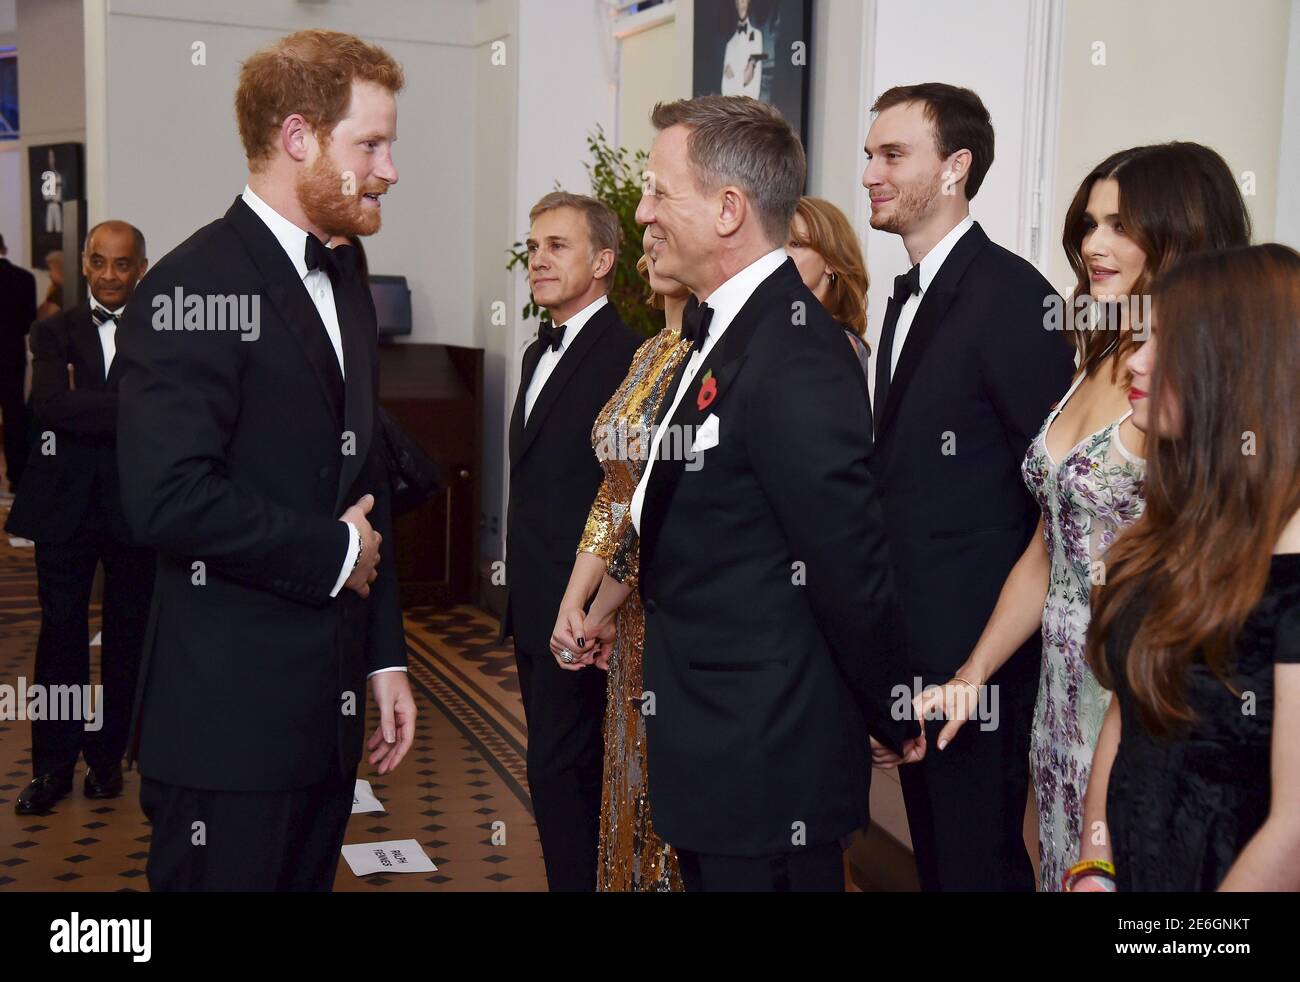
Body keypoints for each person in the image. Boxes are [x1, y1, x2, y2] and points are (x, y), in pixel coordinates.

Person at [115, 29, 415, 892]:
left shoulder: (348, 269)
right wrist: (334, 554)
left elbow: (365, 488)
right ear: (297, 138)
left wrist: (385, 657)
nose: (389, 168)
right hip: (225, 729)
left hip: (327, 716)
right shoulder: (187, 289)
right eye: (371, 144)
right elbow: (168, 499)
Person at [916, 141, 1251, 889]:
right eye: (1088, 223)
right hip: (1059, 696)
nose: (1092, 245)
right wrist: (973, 672)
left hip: (1138, 698)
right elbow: (1049, 547)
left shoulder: (1199, 384)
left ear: (1182, 231)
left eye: (1119, 225)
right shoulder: (1101, 353)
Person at [609, 95, 920, 893]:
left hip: (767, 759)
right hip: (715, 745)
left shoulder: (794, 357)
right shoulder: (723, 336)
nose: (642, 211)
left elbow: (847, 560)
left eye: (657, 190)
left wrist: (890, 705)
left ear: (727, 209)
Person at [863, 82, 1075, 891]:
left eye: (892, 154)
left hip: (983, 660)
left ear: (956, 166)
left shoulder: (1015, 299)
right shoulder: (906, 297)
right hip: (921, 651)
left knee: (980, 866)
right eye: (870, 154)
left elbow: (1052, 497)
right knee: (946, 867)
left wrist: (972, 668)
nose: (871, 173)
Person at [1073, 244, 1300, 892]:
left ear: (1237, 370)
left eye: (1164, 343)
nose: (1135, 362)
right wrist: (1095, 865)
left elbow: (1293, 832)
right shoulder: (1170, 534)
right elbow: (1129, 709)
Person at [502, 191, 640, 891]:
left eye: (558, 245)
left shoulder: (628, 358)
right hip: (535, 604)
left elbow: (624, 496)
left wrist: (595, 606)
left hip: (582, 613)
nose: (539, 259)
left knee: (567, 773)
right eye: (534, 246)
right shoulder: (535, 353)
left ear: (604, 260)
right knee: (555, 773)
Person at [549, 235, 694, 891]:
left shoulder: (701, 358)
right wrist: (571, 605)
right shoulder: (648, 352)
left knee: (669, 810)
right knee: (626, 794)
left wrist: (599, 606)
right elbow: (613, 493)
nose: (652, 236)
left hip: (661, 607)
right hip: (622, 617)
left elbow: (655, 502)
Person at [6, 221, 154, 814]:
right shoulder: (52, 330)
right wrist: (130, 409)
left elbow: (168, 412)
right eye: (99, 262)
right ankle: (52, 766)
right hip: (62, 506)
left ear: (142, 268)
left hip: (136, 506)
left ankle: (106, 760)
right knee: (60, 635)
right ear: (84, 264)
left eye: (123, 264)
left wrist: (81, 406)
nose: (110, 275)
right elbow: (48, 406)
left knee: (127, 637)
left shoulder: (165, 335)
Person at [787, 196, 871, 377]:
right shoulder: (784, 327)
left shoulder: (838, 343)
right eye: (777, 246)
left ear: (830, 263)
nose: (782, 255)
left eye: (796, 244)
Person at [0, 233, 36, 490]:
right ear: (5, 247)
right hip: (11, 355)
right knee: (14, 415)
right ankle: (17, 476)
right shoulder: (25, 278)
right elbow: (28, 322)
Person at [721, 0, 763, 99]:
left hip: (750, 104)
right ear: (735, 4)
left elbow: (748, 78)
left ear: (749, 2)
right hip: (731, 104)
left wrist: (735, 75)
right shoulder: (730, 44)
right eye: (738, 1)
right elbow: (725, 84)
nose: (742, 2)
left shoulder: (757, 36)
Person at [36, 251, 63, 322]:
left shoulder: (60, 293)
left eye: (51, 269)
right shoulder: (54, 289)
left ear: (59, 268)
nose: (49, 274)